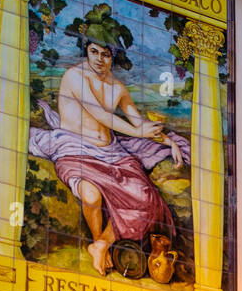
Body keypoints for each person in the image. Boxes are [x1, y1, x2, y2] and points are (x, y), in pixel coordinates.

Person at [28, 38, 189, 276]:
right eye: (94, 52)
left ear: (113, 57)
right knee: (91, 196)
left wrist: (168, 141)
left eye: (105, 54)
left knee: (147, 199)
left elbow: (138, 121)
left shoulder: (117, 87)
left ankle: (102, 244)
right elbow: (99, 114)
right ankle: (99, 244)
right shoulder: (74, 76)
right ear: (86, 51)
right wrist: (137, 132)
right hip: (75, 149)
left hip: (113, 153)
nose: (99, 59)